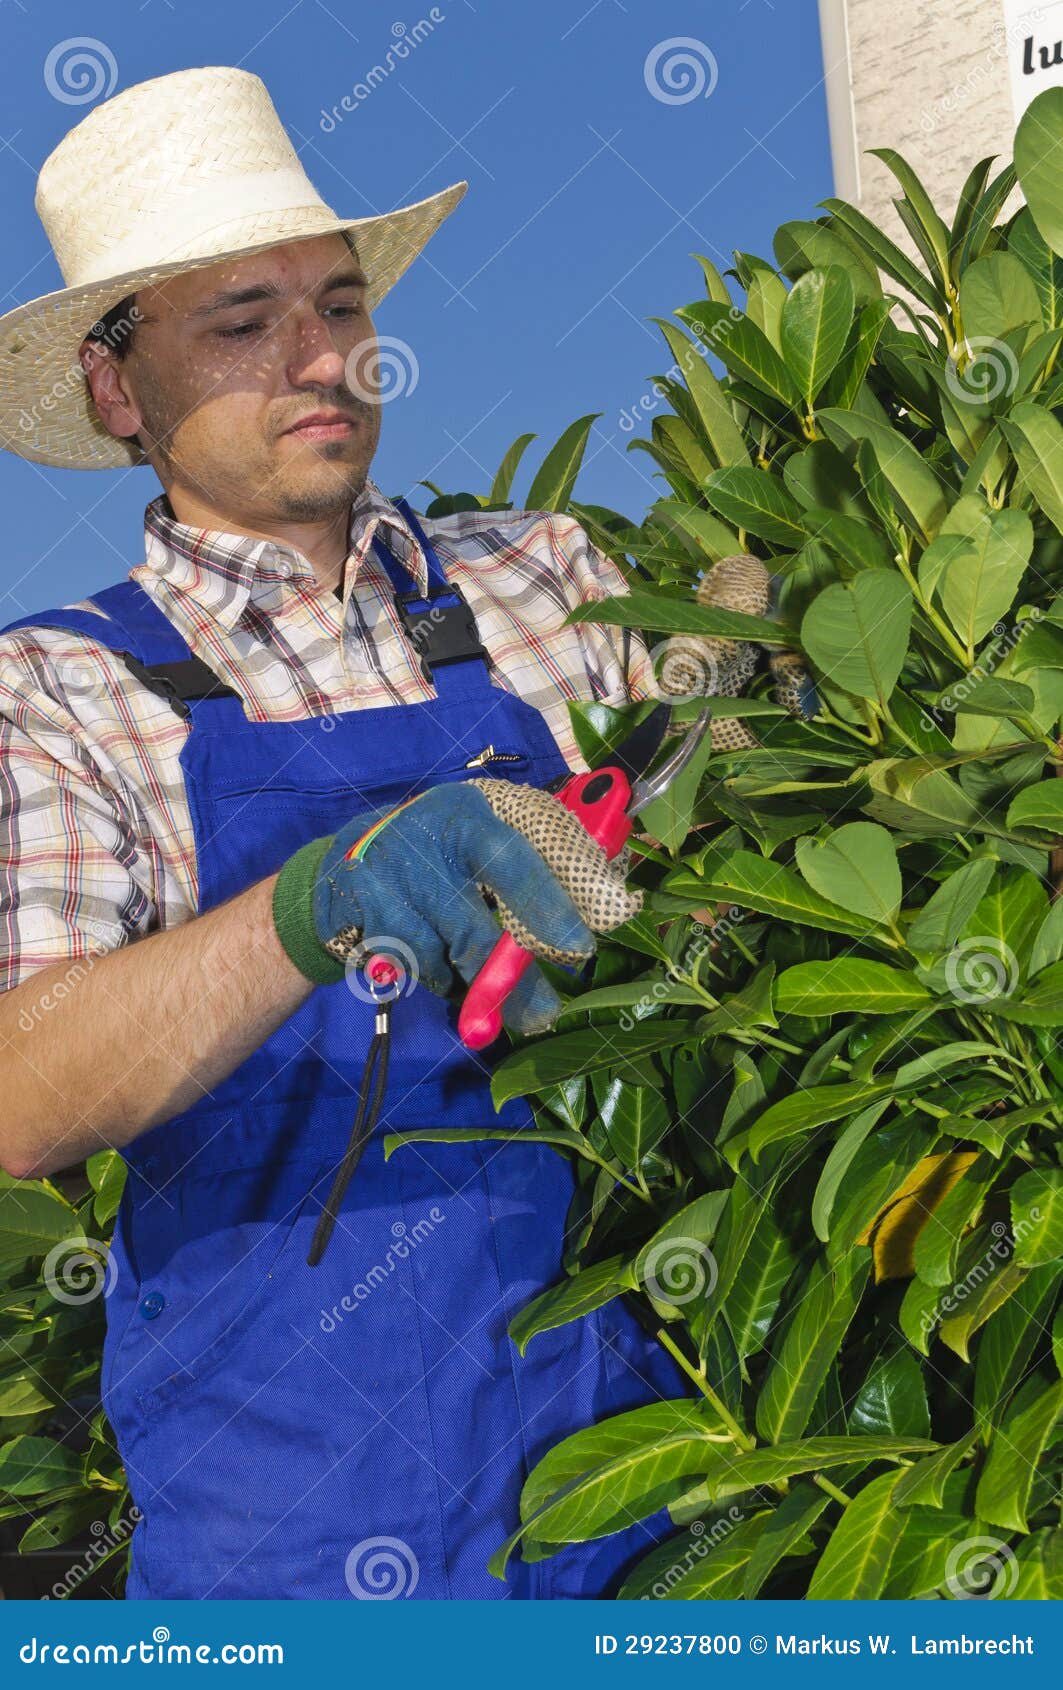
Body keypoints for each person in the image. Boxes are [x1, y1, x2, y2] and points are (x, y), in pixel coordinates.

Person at [0, 64, 701, 1600]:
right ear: (120, 391)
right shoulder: (60, 687)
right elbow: (26, 1087)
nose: (322, 356)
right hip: (284, 1530)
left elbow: (725, 852)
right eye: (244, 325)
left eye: (339, 301)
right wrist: (322, 899)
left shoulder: (549, 576)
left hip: (637, 1471)